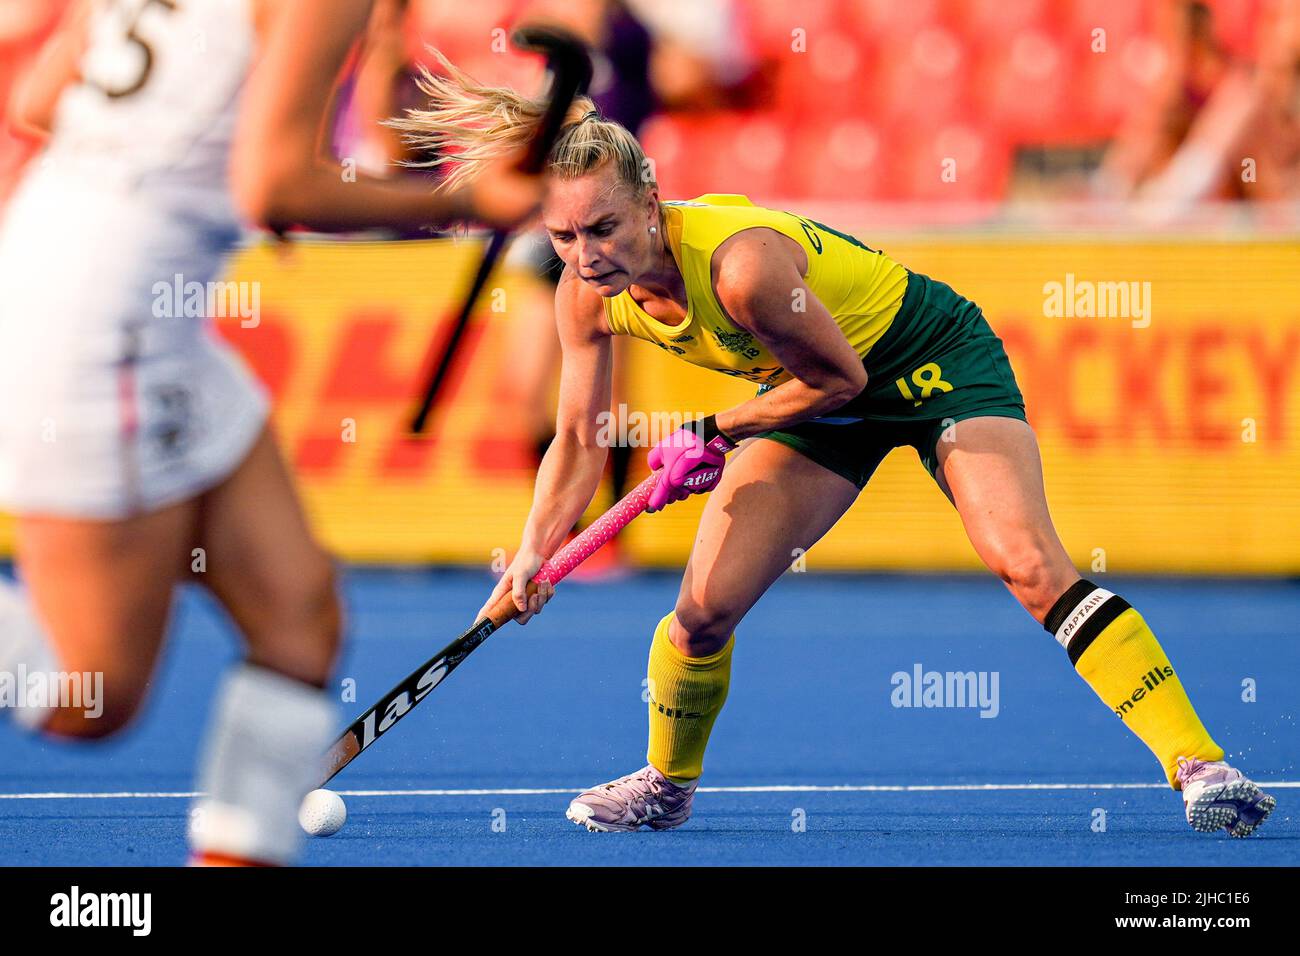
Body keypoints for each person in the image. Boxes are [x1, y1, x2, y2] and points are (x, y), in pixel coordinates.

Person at [391, 64, 1282, 837]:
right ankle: (666, 787)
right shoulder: (584, 294)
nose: (586, 257)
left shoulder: (740, 269)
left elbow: (846, 380)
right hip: (809, 395)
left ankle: (1201, 767)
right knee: (701, 614)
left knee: (1030, 566)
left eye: (606, 230)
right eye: (564, 237)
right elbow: (579, 441)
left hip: (926, 364)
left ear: (653, 206)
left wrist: (718, 431)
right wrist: (533, 553)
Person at [0, 0, 540, 865]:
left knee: (298, 619)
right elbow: (276, 186)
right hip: (108, 325)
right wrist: (470, 197)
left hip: (94, 282)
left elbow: (39, 99)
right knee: (89, 700)